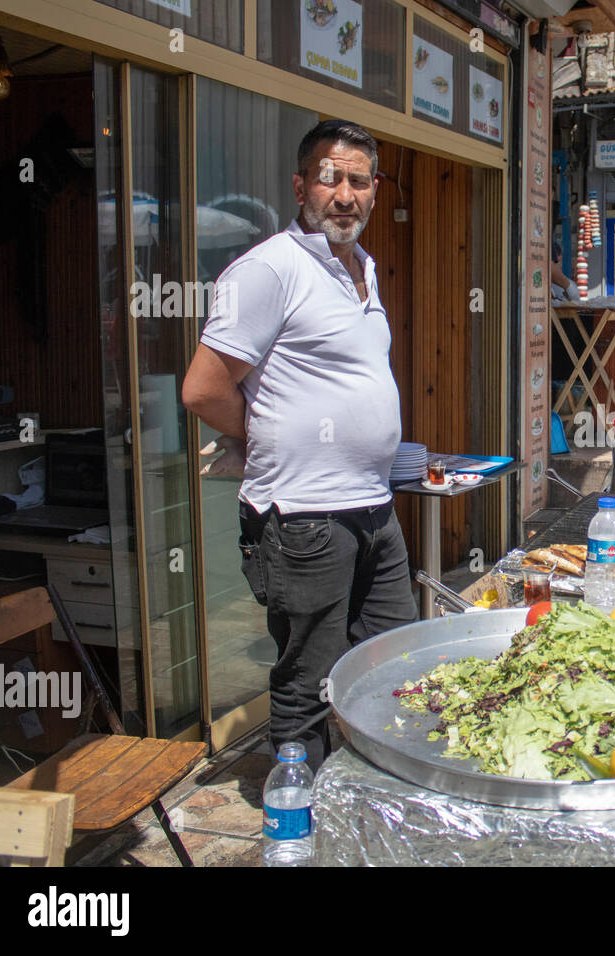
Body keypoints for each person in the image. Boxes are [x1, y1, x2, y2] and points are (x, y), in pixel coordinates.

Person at [182, 119, 419, 772]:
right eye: (329, 177)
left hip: (372, 508)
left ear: (373, 193)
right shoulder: (269, 270)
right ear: (300, 186)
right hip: (303, 517)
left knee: (393, 664)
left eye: (359, 181)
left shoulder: (361, 269)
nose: (345, 194)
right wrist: (255, 436)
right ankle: (296, 827)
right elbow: (203, 388)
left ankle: (370, 806)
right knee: (309, 686)